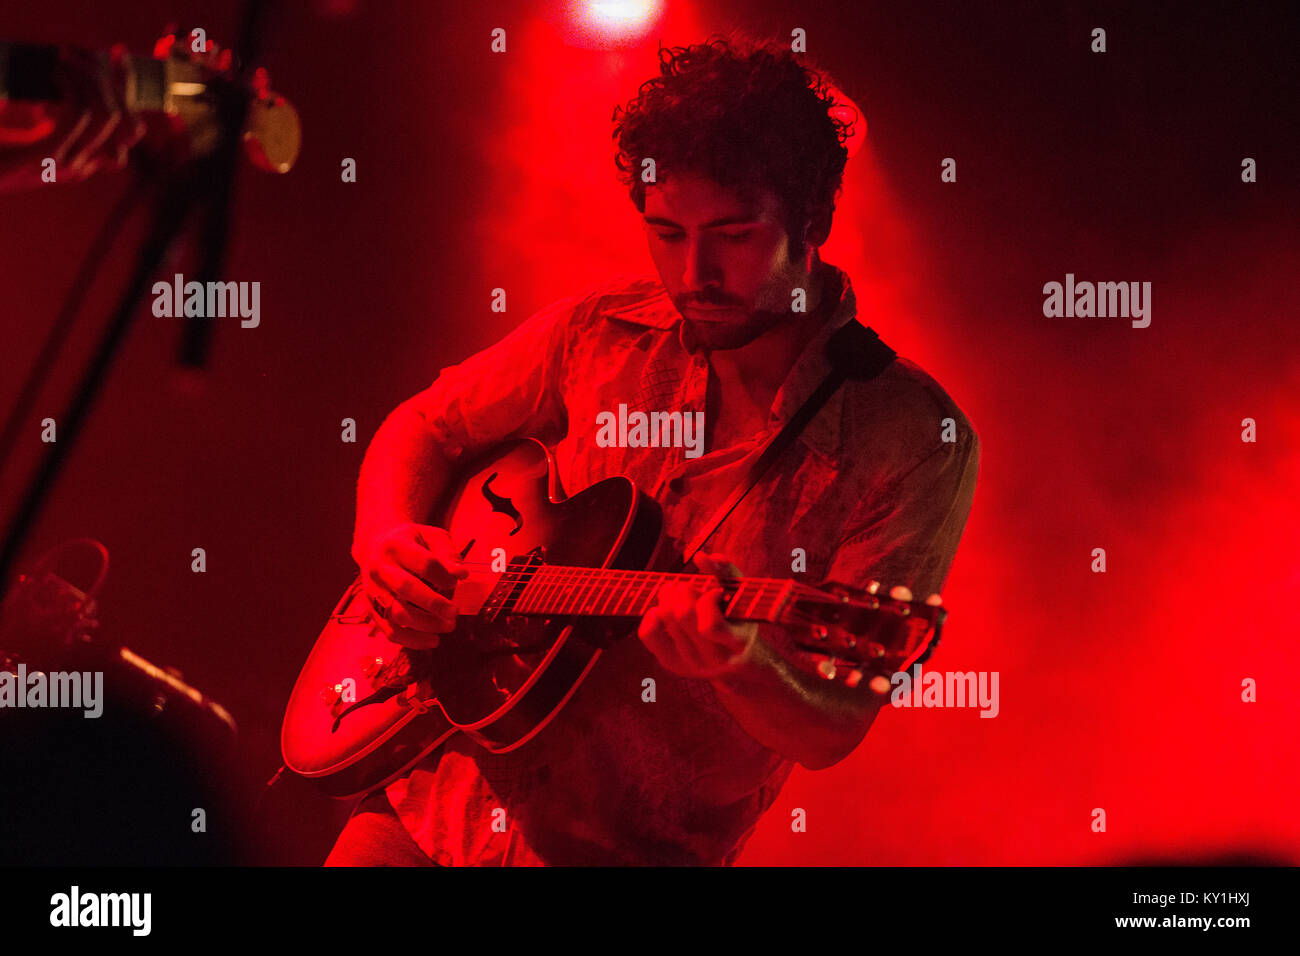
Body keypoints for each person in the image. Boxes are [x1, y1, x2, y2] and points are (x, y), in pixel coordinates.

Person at [325, 34, 981, 867]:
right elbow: (424, 423)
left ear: (813, 219)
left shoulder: (913, 437)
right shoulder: (598, 330)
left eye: (734, 234)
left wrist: (741, 662)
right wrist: (383, 538)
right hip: (428, 810)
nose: (693, 272)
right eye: (665, 232)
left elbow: (832, 726)